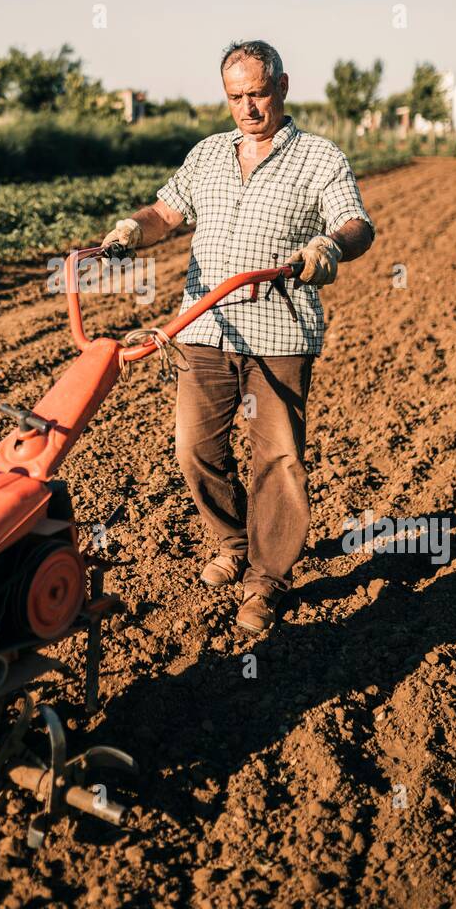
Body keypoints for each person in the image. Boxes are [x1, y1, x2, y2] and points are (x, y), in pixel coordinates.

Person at [101, 39, 375, 632]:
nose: (247, 107)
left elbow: (357, 224)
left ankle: (267, 580)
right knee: (195, 451)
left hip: (280, 335)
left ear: (281, 86)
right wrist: (130, 229)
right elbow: (165, 214)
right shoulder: (206, 155)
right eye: (235, 97)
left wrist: (330, 246)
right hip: (203, 326)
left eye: (256, 93)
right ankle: (232, 544)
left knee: (276, 459)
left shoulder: (320, 158)